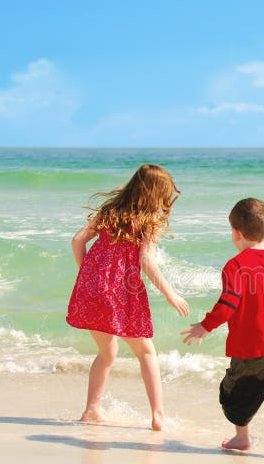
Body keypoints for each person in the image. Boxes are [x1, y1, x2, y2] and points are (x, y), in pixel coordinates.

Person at [180, 198, 264, 461]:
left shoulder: (235, 266)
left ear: (236, 233)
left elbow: (228, 304)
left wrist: (205, 327)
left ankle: (242, 437)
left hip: (252, 351)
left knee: (233, 394)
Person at [67, 164, 189, 430]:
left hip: (91, 287)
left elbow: (78, 241)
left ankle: (91, 410)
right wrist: (171, 294)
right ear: (157, 194)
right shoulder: (150, 221)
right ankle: (157, 415)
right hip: (121, 292)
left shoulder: (110, 211)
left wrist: (88, 274)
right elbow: (147, 260)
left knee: (107, 352)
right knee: (146, 352)